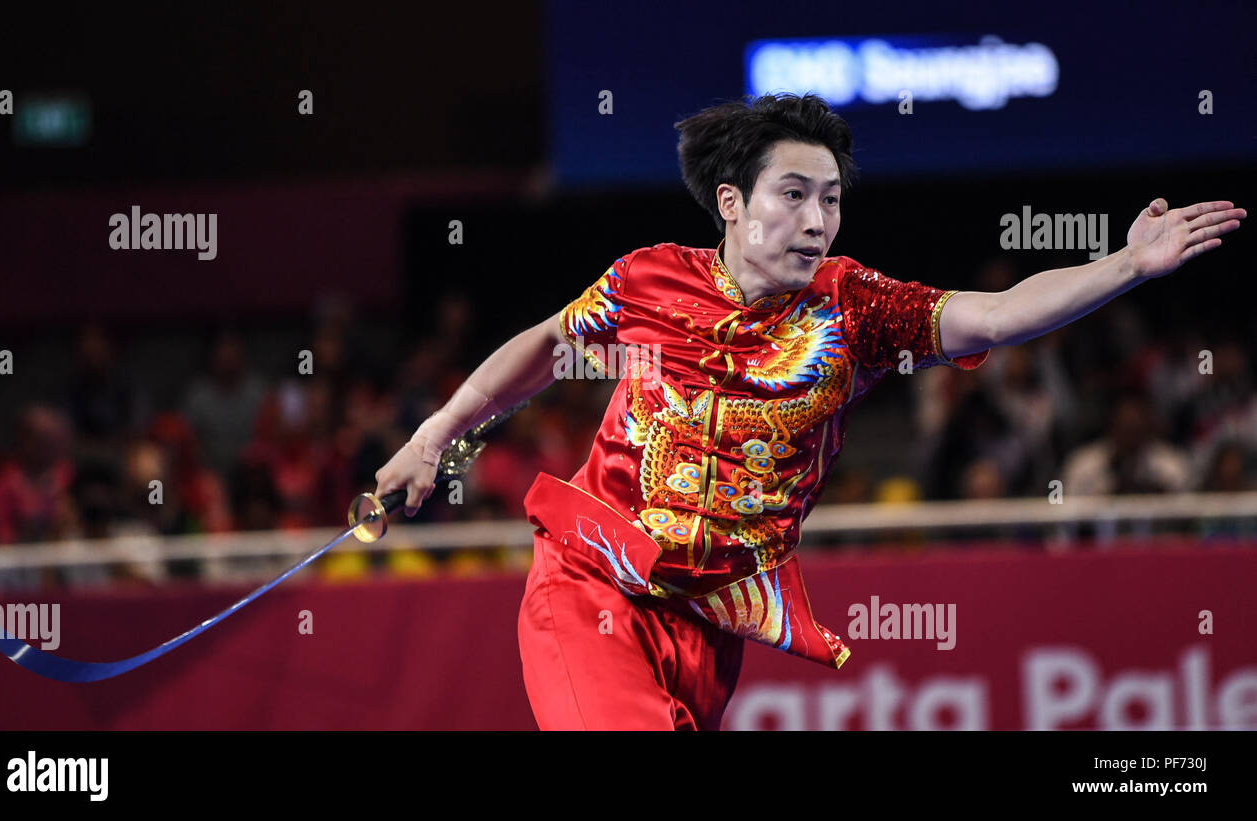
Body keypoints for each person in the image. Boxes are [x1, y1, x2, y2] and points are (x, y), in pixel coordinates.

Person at [372, 93, 1245, 730]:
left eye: (830, 198)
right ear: (732, 204)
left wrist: (1124, 267)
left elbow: (997, 312)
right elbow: (542, 347)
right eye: (793, 194)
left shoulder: (853, 310)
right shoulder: (648, 281)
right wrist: (428, 439)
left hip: (715, 623)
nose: (817, 219)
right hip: (592, 584)